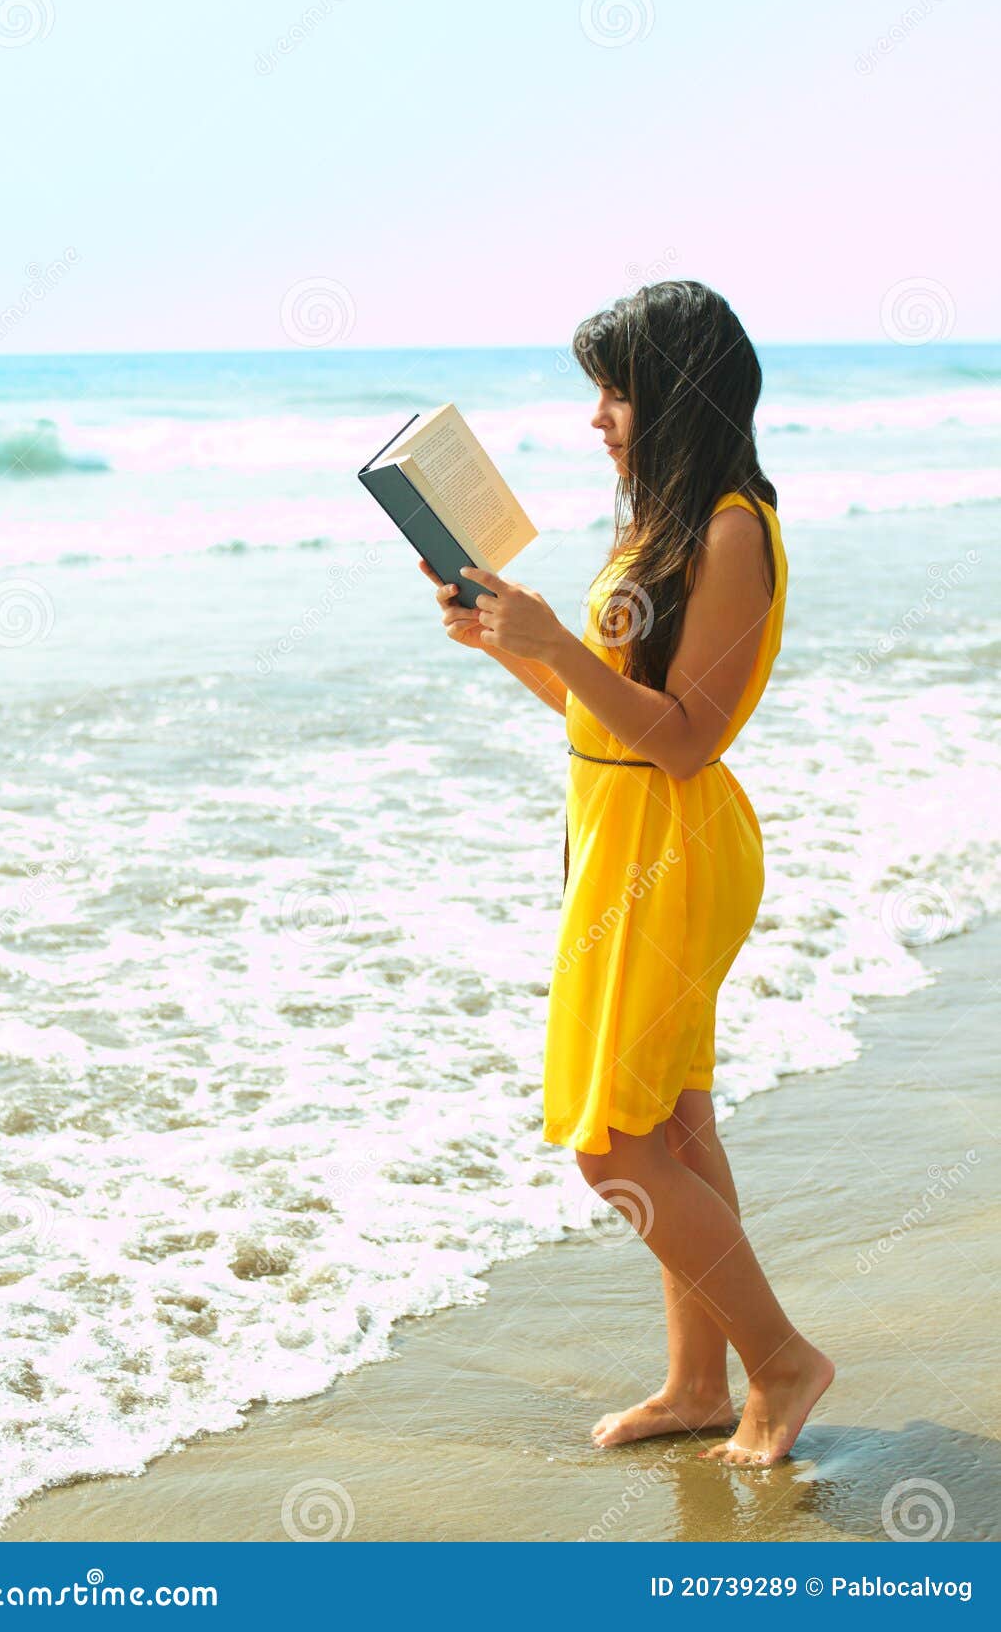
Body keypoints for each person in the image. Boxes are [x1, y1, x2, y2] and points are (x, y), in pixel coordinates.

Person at [419, 281, 833, 1466]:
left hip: (671, 848)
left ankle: (781, 1363)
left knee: (611, 1142)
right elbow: (601, 713)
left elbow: (687, 738)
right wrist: (508, 646)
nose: (597, 416)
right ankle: (698, 1384)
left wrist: (557, 638)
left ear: (679, 393)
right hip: (617, 831)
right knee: (672, 1124)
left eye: (617, 391)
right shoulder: (660, 524)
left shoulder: (730, 531)